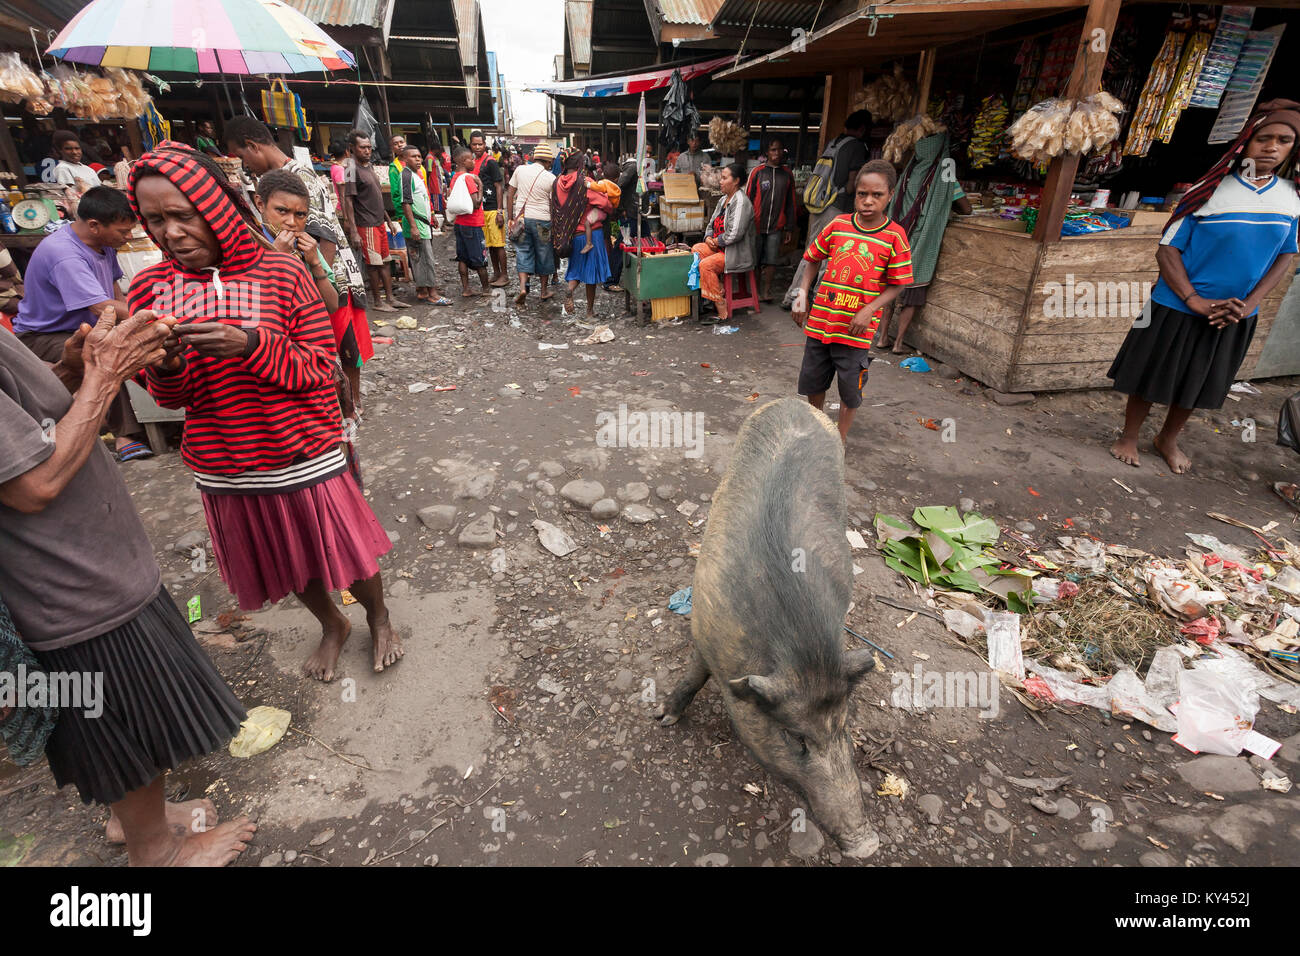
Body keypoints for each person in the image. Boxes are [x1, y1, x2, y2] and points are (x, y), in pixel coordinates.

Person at [129, 142, 403, 681]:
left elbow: (322, 367)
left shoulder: (282, 272)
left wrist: (251, 345)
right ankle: (332, 625)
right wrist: (164, 364)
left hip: (301, 448)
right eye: (155, 219)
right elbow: (171, 398)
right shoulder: (150, 288)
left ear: (215, 207)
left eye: (182, 215)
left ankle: (378, 615)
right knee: (287, 555)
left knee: (344, 550)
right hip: (226, 461)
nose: (171, 232)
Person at [1, 306, 258, 866]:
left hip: (84, 565)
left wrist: (71, 373)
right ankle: (157, 853)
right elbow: (31, 484)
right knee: (121, 714)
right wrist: (104, 377)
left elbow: (25, 429)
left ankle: (137, 820)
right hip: (69, 583)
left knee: (115, 713)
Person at [1109, 99, 1300, 475]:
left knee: (1200, 378)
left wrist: (1248, 305)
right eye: (1263, 138)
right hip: (1176, 303)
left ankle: (1167, 438)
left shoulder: (1291, 199)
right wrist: (1193, 299)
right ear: (1245, 142)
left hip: (1234, 311)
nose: (1272, 147)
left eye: (1284, 140)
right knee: (1151, 374)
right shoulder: (1210, 190)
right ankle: (1128, 436)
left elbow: (1285, 257)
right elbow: (1168, 250)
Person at [223, 117, 372, 405]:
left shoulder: (298, 176)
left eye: (242, 157)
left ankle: (350, 404)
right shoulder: (278, 179)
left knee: (341, 342)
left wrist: (317, 276)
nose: (244, 165)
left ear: (253, 146)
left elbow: (323, 233)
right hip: (309, 274)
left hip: (325, 276)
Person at [13, 186, 154, 461]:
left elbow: (113, 290)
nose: (127, 237)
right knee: (101, 353)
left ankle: (141, 415)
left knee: (126, 338)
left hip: (85, 325)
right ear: (94, 225)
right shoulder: (65, 254)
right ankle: (125, 435)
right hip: (43, 334)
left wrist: (135, 320)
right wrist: (152, 315)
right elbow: (100, 306)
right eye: (123, 232)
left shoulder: (103, 243)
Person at [791, 161, 913, 445]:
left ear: (890, 195)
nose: (868, 201)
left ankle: (839, 440)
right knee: (814, 381)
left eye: (877, 195)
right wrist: (802, 294)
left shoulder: (895, 236)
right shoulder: (838, 225)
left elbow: (899, 282)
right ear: (855, 193)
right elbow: (812, 260)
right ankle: (816, 429)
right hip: (821, 323)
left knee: (850, 389)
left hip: (855, 331)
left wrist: (870, 309)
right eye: (862, 193)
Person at [875, 130, 971, 354]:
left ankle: (881, 338)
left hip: (898, 238)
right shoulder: (944, 174)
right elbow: (966, 208)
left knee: (891, 286)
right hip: (921, 240)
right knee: (913, 291)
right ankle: (898, 343)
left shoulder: (910, 170)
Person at [783, 110, 872, 309]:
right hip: (837, 206)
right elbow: (852, 182)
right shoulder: (857, 147)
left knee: (812, 251)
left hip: (820, 203)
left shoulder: (834, 142)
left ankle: (793, 296)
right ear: (863, 129)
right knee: (831, 254)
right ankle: (818, 299)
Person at [343, 130, 408, 312]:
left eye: (369, 148)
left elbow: (377, 195)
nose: (367, 151)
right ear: (353, 148)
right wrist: (353, 230)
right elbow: (348, 199)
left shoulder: (369, 166)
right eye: (363, 147)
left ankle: (390, 298)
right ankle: (378, 302)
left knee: (386, 261)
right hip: (366, 224)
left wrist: (388, 219)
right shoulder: (350, 168)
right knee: (373, 265)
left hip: (379, 222)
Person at [691, 163, 756, 323]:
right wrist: (707, 238)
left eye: (724, 178)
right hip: (719, 248)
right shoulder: (722, 201)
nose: (720, 181)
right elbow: (710, 224)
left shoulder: (741, 202)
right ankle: (718, 286)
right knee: (696, 249)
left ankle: (721, 305)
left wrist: (716, 240)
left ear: (736, 181)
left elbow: (735, 233)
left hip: (735, 253)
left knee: (705, 265)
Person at [553, 150, 611, 315]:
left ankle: (570, 289)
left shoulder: (557, 183)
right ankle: (590, 310)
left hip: (572, 235)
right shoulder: (585, 182)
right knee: (591, 274)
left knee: (577, 269)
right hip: (592, 233)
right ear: (580, 164)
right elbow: (605, 203)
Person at [745, 137, 798, 302]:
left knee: (771, 260)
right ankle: (755, 291)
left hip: (776, 226)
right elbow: (747, 199)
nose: (777, 153)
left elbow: (791, 203)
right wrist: (746, 224)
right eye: (773, 149)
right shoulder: (757, 172)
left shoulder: (787, 174)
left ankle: (766, 291)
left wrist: (789, 227)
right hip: (756, 225)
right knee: (755, 260)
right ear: (767, 152)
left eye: (779, 149)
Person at [398, 146, 450, 305]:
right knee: (426, 259)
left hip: (422, 222)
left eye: (419, 156)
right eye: (413, 157)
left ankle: (422, 291)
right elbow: (406, 202)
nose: (418, 160)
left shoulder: (416, 175)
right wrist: (414, 226)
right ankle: (432, 294)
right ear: (405, 159)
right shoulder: (406, 175)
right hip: (417, 225)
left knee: (419, 259)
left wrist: (431, 215)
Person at [506, 142, 557, 306]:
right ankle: (543, 291)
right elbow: (552, 204)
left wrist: (510, 217)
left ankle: (522, 288)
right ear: (549, 162)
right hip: (543, 220)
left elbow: (510, 194)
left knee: (523, 251)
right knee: (544, 253)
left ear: (534, 158)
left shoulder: (520, 170)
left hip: (521, 219)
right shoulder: (551, 177)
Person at [449, 146, 491, 296]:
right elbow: (476, 203)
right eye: (471, 159)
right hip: (472, 223)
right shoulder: (468, 178)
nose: (474, 161)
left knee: (462, 257)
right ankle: (486, 289)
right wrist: (480, 185)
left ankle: (466, 289)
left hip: (459, 223)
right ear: (463, 161)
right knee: (480, 257)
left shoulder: (455, 177)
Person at [469, 130, 508, 287]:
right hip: (481, 210)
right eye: (474, 144)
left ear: (485, 144)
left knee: (498, 244)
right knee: (490, 244)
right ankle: (496, 273)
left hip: (492, 208)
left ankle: (504, 275)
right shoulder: (473, 162)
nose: (477, 147)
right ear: (470, 145)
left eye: (480, 144)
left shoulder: (490, 161)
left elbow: (499, 186)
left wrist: (500, 211)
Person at [51, 131, 101, 210]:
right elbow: (71, 195)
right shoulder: (63, 168)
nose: (74, 152)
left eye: (77, 148)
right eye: (68, 149)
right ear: (60, 151)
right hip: (85, 209)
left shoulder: (87, 168)